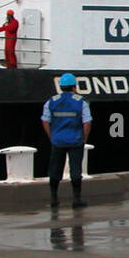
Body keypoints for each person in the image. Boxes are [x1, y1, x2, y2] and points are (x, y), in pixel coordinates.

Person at [42, 73, 92, 209]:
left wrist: (52, 137)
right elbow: (87, 122)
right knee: (76, 170)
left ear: (61, 86)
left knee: (55, 170)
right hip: (76, 141)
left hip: (58, 141)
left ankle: (54, 198)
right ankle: (76, 200)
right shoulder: (81, 102)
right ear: (74, 87)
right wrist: (83, 138)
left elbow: (45, 120)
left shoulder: (51, 101)